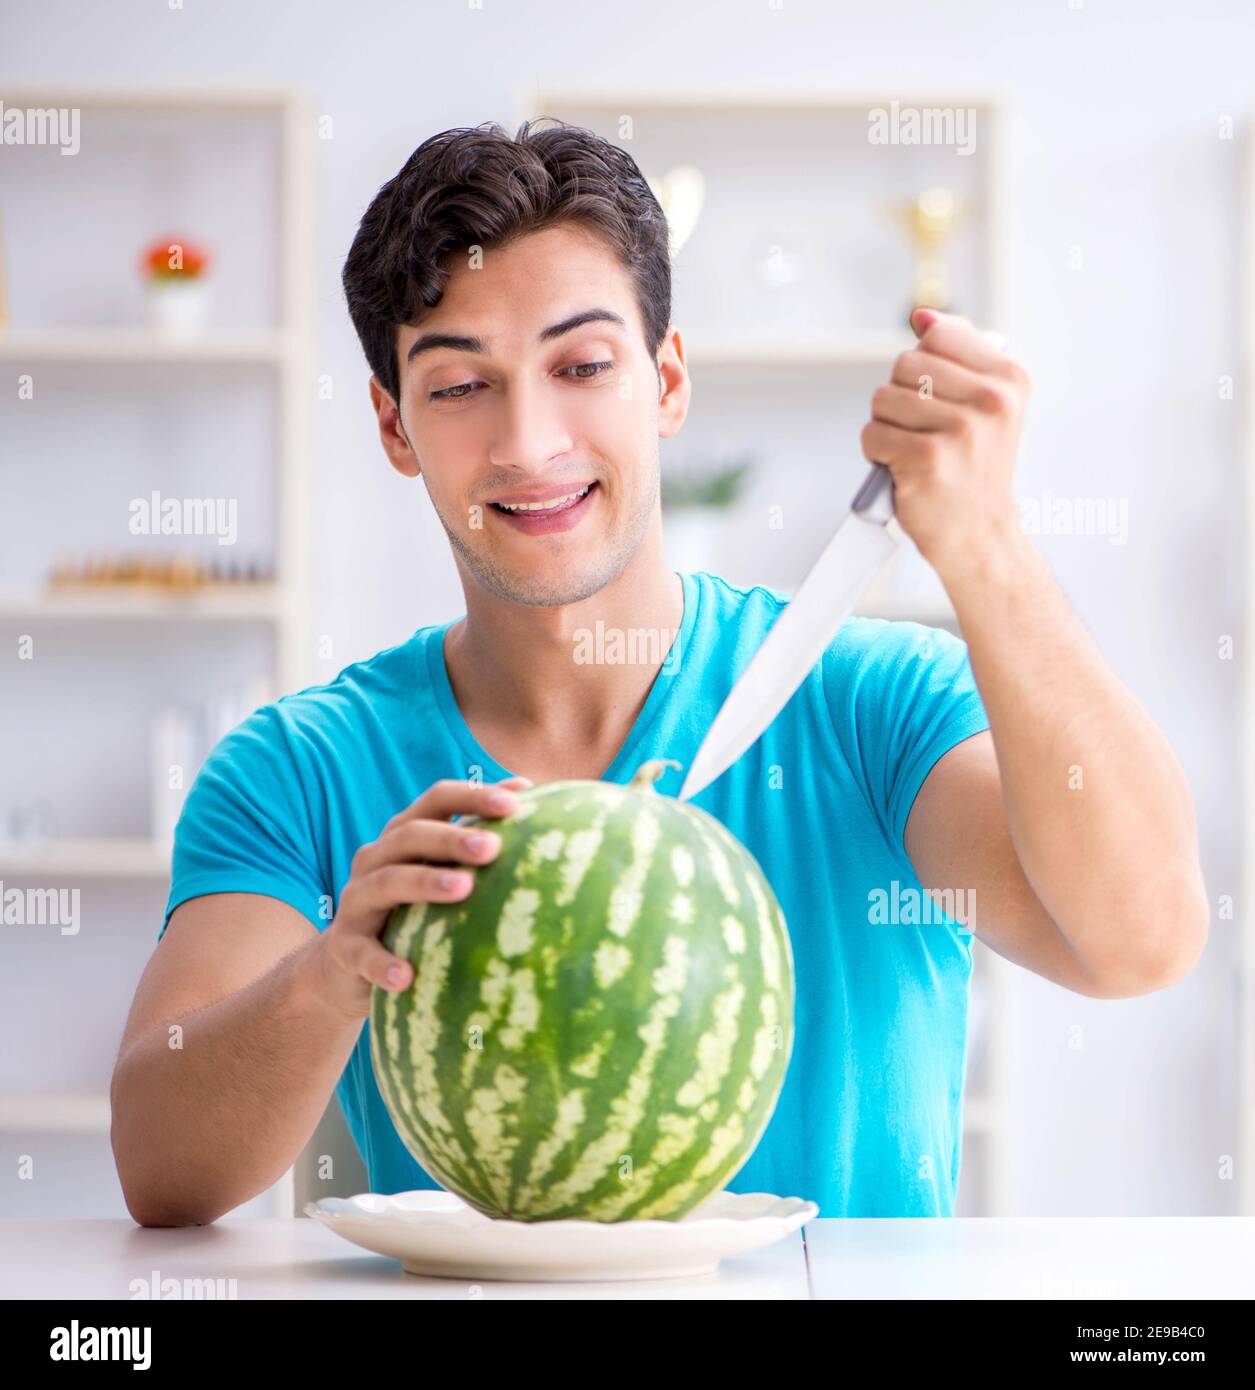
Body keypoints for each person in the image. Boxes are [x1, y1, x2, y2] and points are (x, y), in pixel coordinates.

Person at [111, 119, 1208, 1227]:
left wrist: (989, 546)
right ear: (393, 424)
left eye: (581, 366)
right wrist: (331, 970)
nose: (529, 443)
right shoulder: (300, 769)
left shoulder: (874, 705)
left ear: (667, 381)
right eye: (459, 387)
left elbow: (1141, 941)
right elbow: (161, 1170)